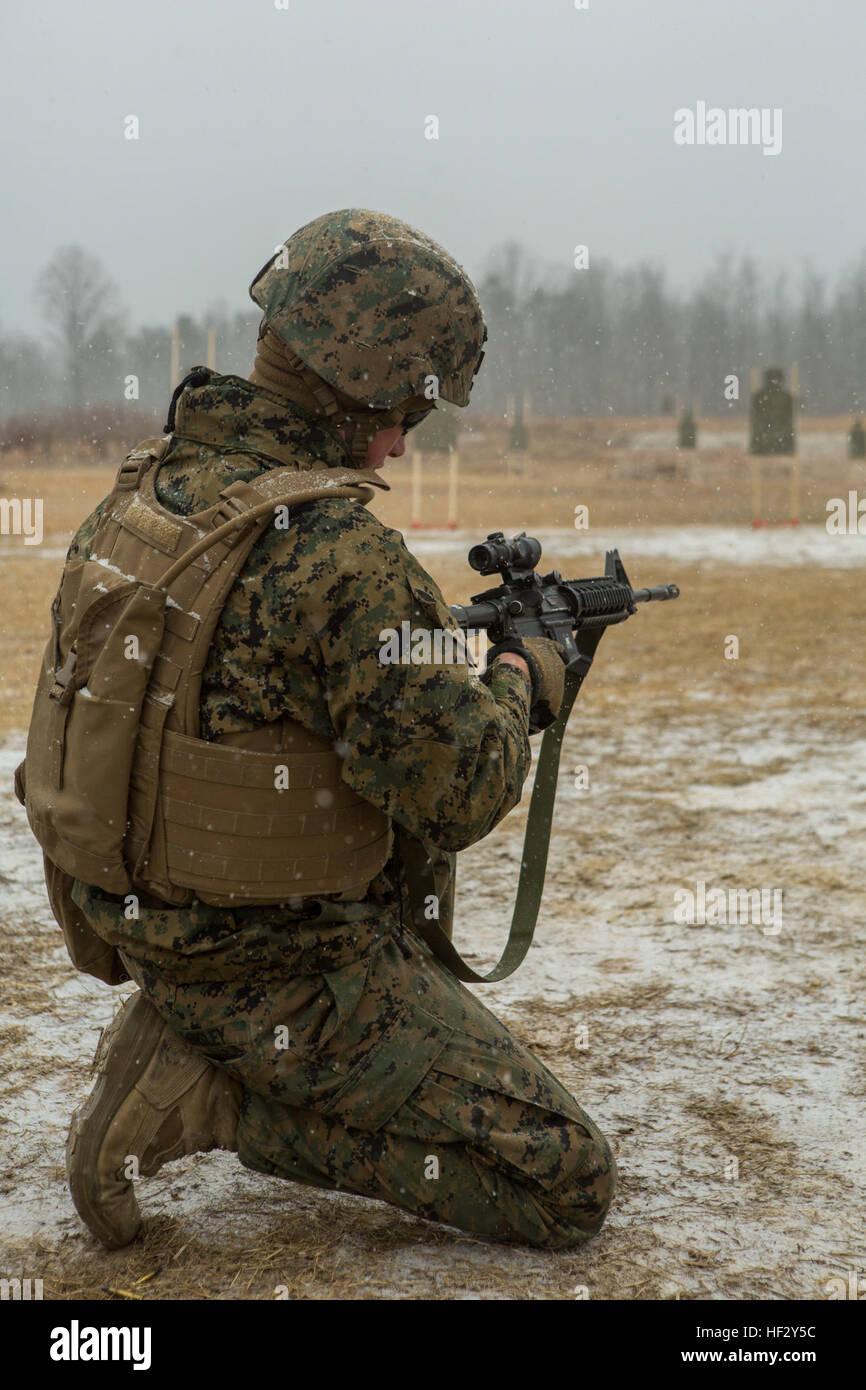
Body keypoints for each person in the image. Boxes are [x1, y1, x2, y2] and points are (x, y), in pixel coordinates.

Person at [37, 209, 615, 1250]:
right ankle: (210, 1097)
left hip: (138, 930)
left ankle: (196, 1038)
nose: (400, 441)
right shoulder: (341, 556)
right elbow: (462, 790)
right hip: (275, 968)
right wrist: (525, 680)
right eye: (406, 408)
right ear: (359, 382)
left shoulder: (145, 496)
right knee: (563, 1181)